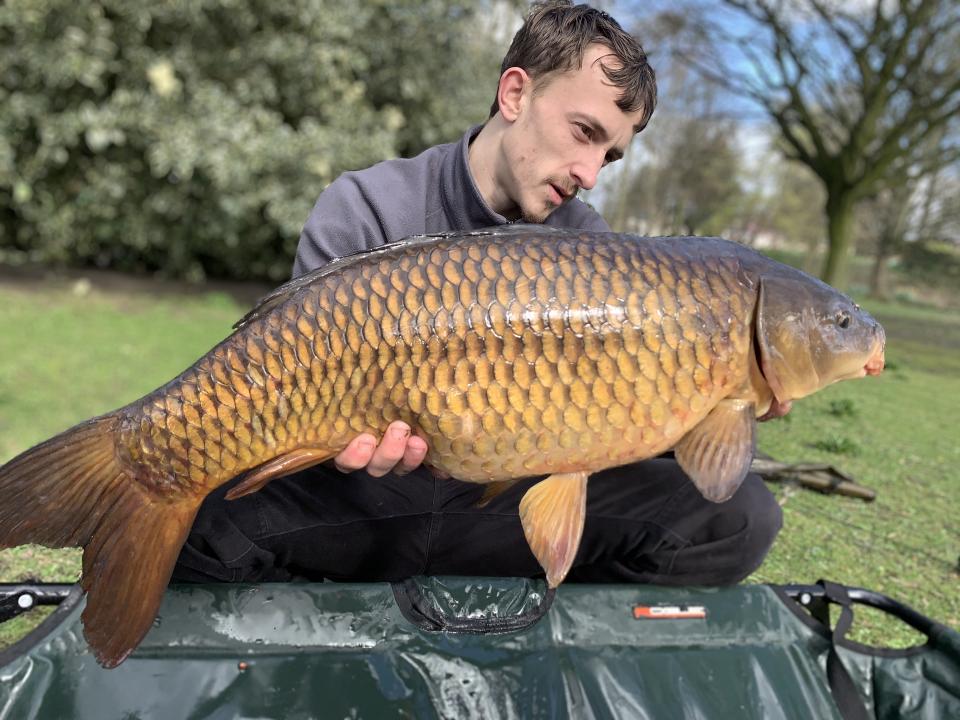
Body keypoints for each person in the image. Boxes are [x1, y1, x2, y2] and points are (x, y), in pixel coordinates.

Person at [172, 1, 783, 587]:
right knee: (197, 523)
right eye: (583, 131)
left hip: (502, 506)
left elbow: (624, 417)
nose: (590, 173)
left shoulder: (593, 251)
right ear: (515, 94)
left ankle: (544, 622)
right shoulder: (367, 206)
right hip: (362, 504)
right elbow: (287, 383)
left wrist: (718, 398)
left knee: (742, 518)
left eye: (610, 155)